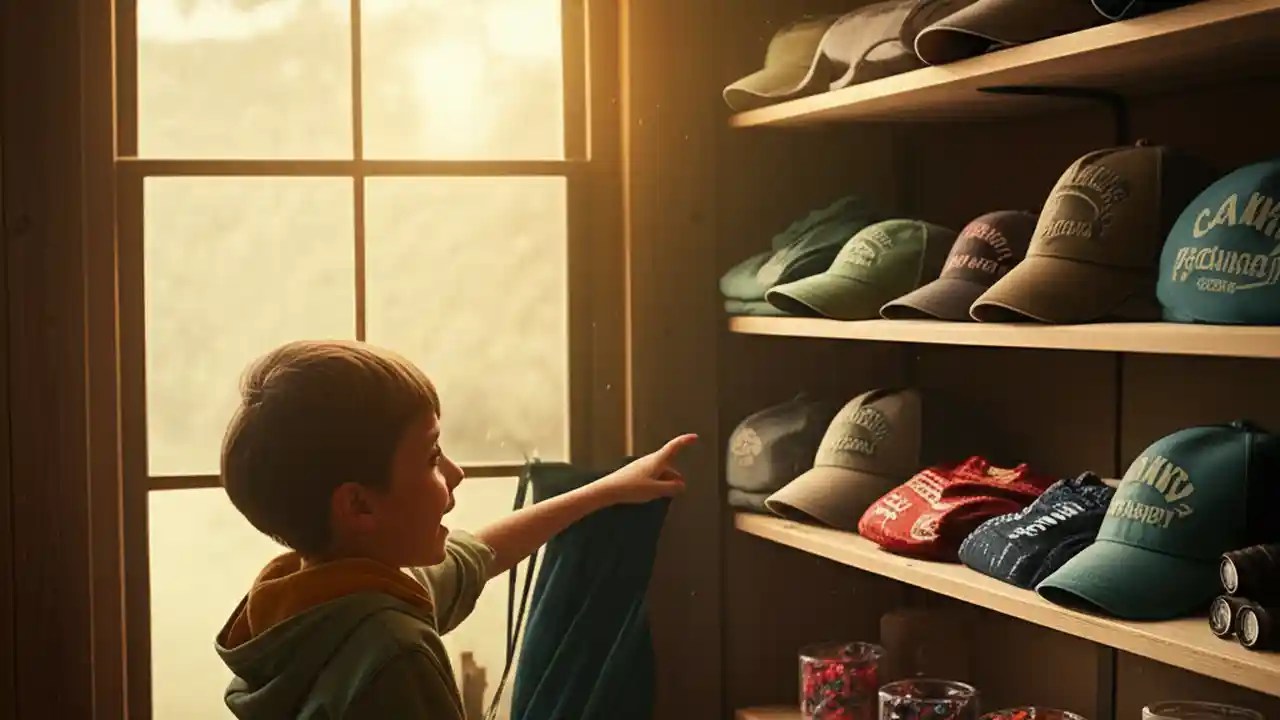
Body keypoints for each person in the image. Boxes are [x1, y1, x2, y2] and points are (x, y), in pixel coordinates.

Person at [213, 339, 696, 719]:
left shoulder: (310, 607)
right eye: (431, 456)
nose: (455, 472)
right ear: (359, 505)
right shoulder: (394, 653)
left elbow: (478, 553)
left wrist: (607, 490)